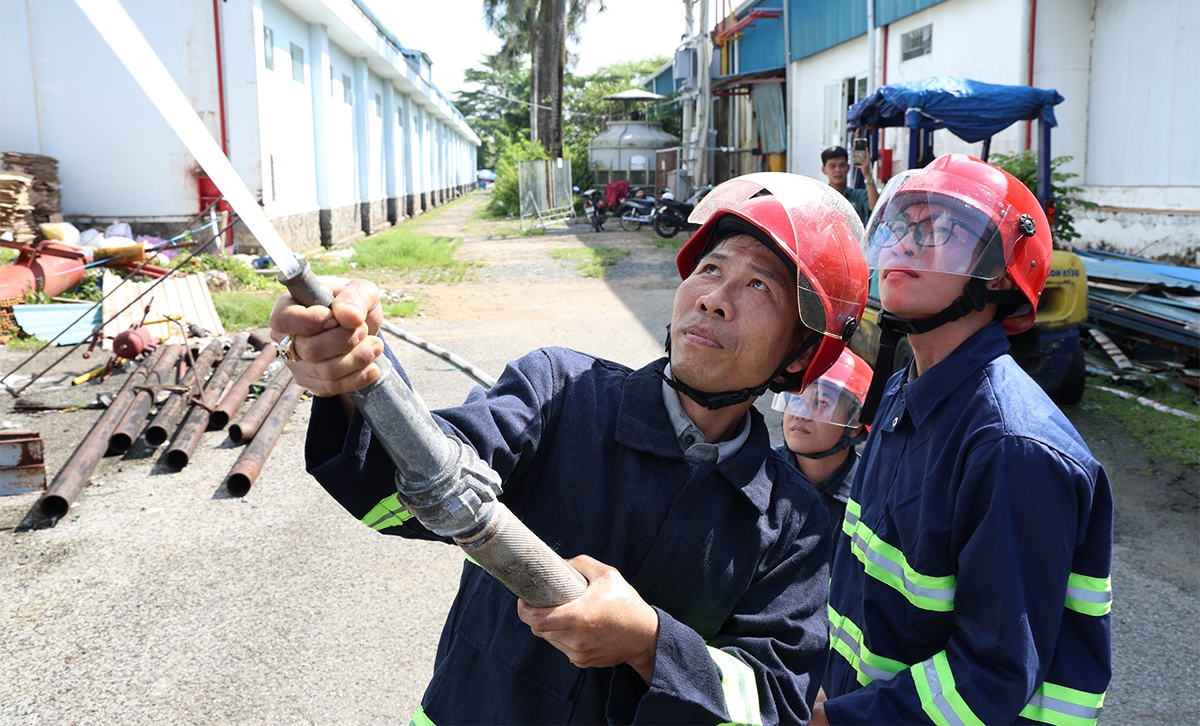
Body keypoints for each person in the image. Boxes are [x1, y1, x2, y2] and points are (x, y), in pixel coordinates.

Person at [269, 173, 870, 725]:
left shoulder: (794, 524)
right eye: (710, 268)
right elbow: (413, 483)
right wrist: (359, 377)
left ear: (799, 355)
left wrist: (649, 644)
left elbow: (774, 700)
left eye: (758, 284)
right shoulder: (558, 393)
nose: (714, 297)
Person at [812, 154, 1112, 725]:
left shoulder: (1010, 445)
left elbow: (993, 672)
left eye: (939, 231)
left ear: (1001, 273)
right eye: (899, 226)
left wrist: (841, 719)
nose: (903, 244)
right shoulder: (906, 388)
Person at [771, 348, 872, 547]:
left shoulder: (871, 494)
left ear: (855, 425)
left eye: (822, 402)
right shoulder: (758, 474)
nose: (800, 414)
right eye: (797, 398)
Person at [820, 145, 879, 224]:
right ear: (824, 170)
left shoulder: (859, 196)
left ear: (848, 168)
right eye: (832, 166)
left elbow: (876, 208)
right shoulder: (819, 199)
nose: (837, 170)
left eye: (842, 165)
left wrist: (867, 175)